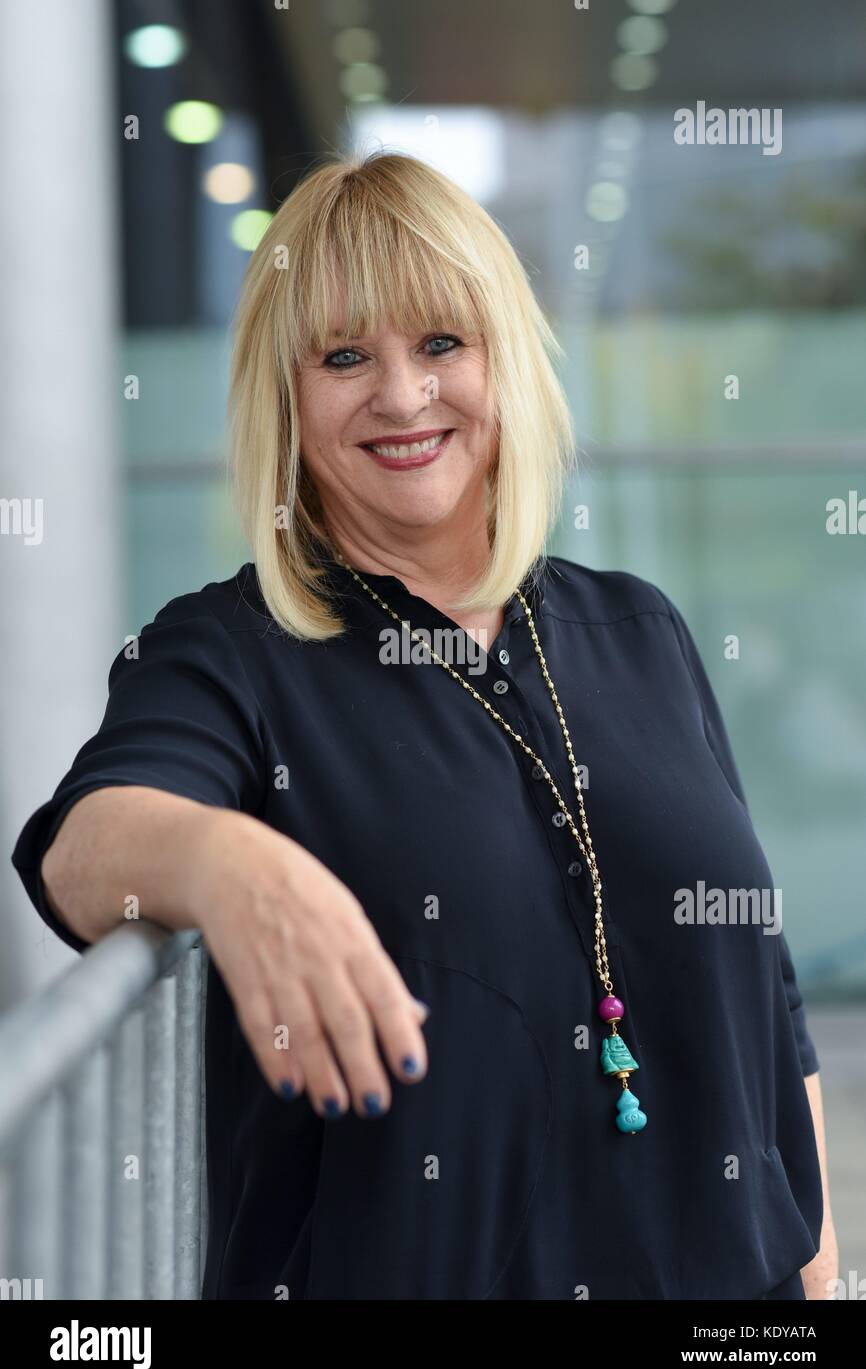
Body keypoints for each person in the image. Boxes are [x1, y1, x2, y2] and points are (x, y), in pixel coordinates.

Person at [11, 151, 837, 1301]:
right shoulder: (230, 653)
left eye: (441, 343)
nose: (401, 397)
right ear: (285, 398)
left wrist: (817, 1281)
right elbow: (82, 852)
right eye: (344, 356)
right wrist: (231, 863)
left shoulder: (637, 628)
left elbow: (767, 997)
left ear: (503, 355)